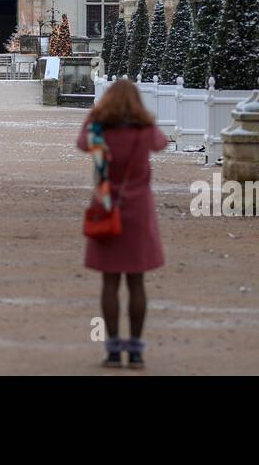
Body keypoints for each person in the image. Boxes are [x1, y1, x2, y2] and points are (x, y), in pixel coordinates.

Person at [77, 78, 167, 369]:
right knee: (137, 281)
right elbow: (162, 143)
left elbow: (81, 143)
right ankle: (137, 351)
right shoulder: (143, 129)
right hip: (138, 211)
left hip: (105, 207)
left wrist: (95, 115)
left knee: (109, 281)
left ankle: (114, 350)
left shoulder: (100, 128)